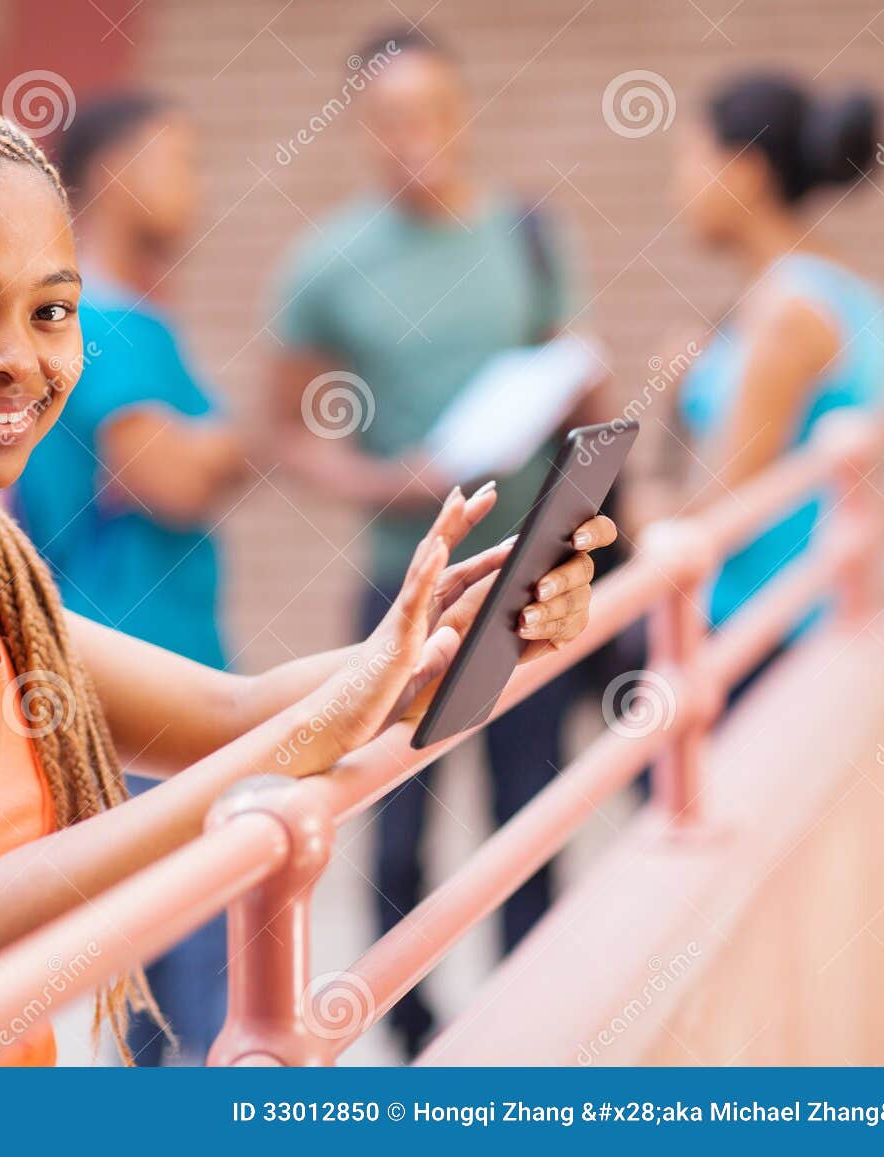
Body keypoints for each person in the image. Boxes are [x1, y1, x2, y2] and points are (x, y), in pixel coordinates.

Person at [0, 90, 619, 1066]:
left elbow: (234, 712)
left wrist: (463, 628)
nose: (18, 358)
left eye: (51, 311)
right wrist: (310, 730)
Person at [268, 28, 608, 1059]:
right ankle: (409, 1033)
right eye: (391, 119)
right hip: (400, 581)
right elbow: (279, 432)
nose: (414, 136)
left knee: (526, 804)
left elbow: (578, 384)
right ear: (364, 130)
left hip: (523, 577)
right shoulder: (324, 263)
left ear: (461, 114)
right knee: (393, 822)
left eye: (431, 113)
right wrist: (384, 480)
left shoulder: (528, 236)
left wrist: (572, 397)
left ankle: (528, 1021)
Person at [15, 93, 246, 1065]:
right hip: (143, 701)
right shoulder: (107, 323)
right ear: (111, 175)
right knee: (186, 1009)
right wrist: (255, 433)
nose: (195, 186)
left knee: (160, 1007)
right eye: (176, 160)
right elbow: (172, 480)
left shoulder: (103, 320)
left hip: (127, 686)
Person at [669, 72, 884, 691]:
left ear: (744, 172)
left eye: (692, 159)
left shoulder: (785, 315)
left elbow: (719, 507)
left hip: (755, 637)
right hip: (811, 617)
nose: (680, 186)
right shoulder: (847, 288)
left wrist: (637, 514)